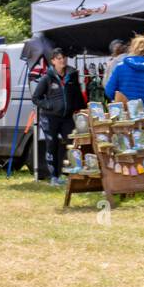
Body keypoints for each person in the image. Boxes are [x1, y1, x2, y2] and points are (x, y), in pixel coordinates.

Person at [32, 48, 86, 185]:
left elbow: (78, 95)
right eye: (59, 58)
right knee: (52, 145)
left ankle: (72, 174)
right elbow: (36, 98)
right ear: (53, 61)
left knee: (73, 143)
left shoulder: (72, 76)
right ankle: (54, 177)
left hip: (67, 117)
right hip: (50, 117)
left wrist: (82, 108)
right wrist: (49, 105)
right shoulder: (47, 78)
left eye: (64, 58)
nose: (62, 60)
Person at [105, 35, 144, 126]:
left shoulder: (120, 67)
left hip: (127, 119)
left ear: (132, 49)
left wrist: (122, 99)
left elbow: (109, 91)